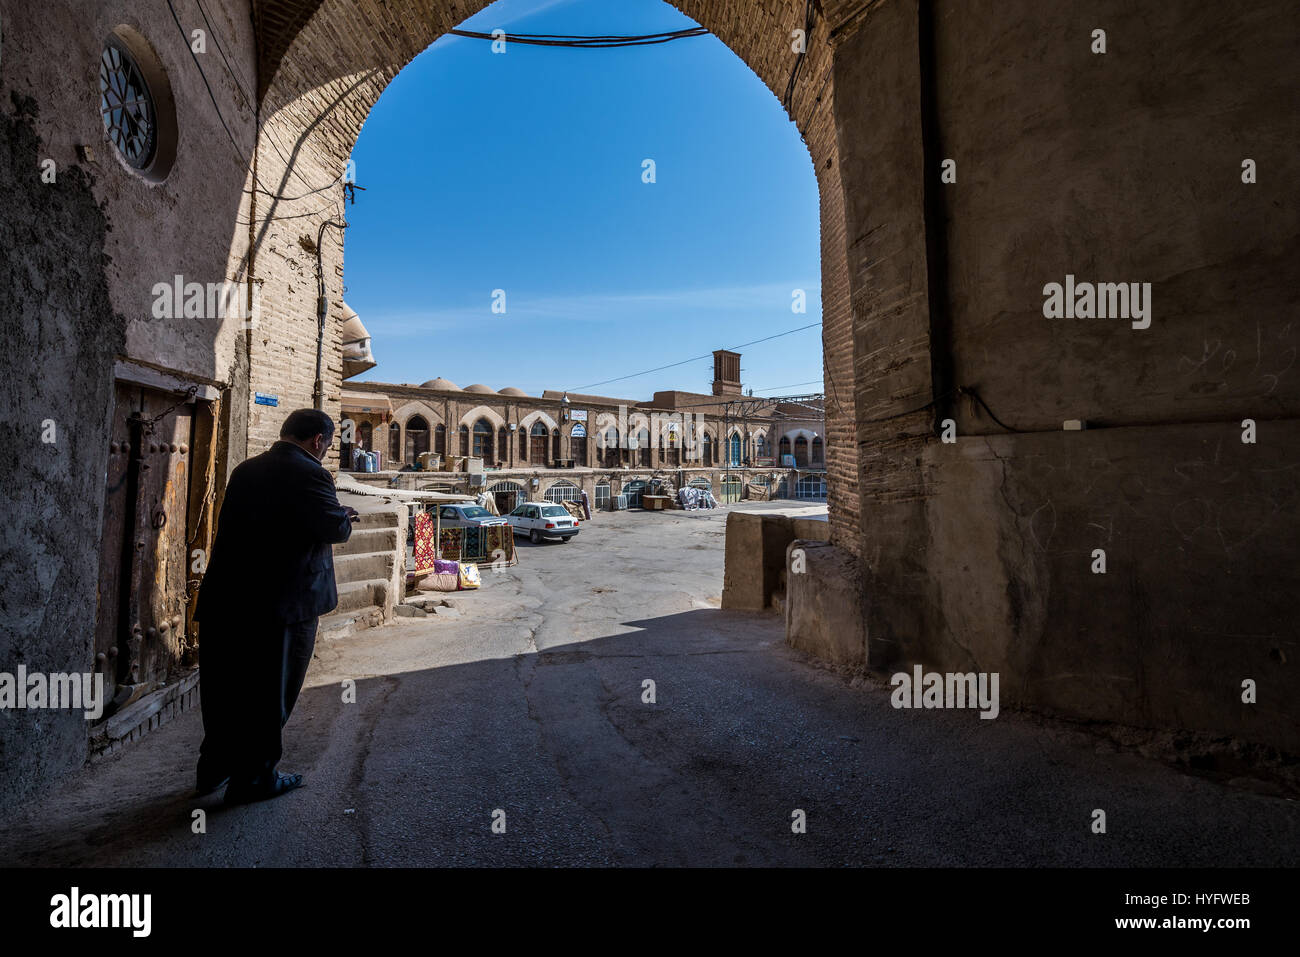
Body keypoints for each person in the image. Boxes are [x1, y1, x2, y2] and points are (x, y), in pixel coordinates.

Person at [194, 408, 358, 804]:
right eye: (328, 444)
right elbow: (332, 528)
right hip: (283, 606)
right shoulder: (312, 473)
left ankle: (214, 769)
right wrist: (344, 518)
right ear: (317, 440)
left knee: (226, 689)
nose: (326, 450)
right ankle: (254, 778)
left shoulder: (245, 470)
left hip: (228, 600)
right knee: (271, 692)